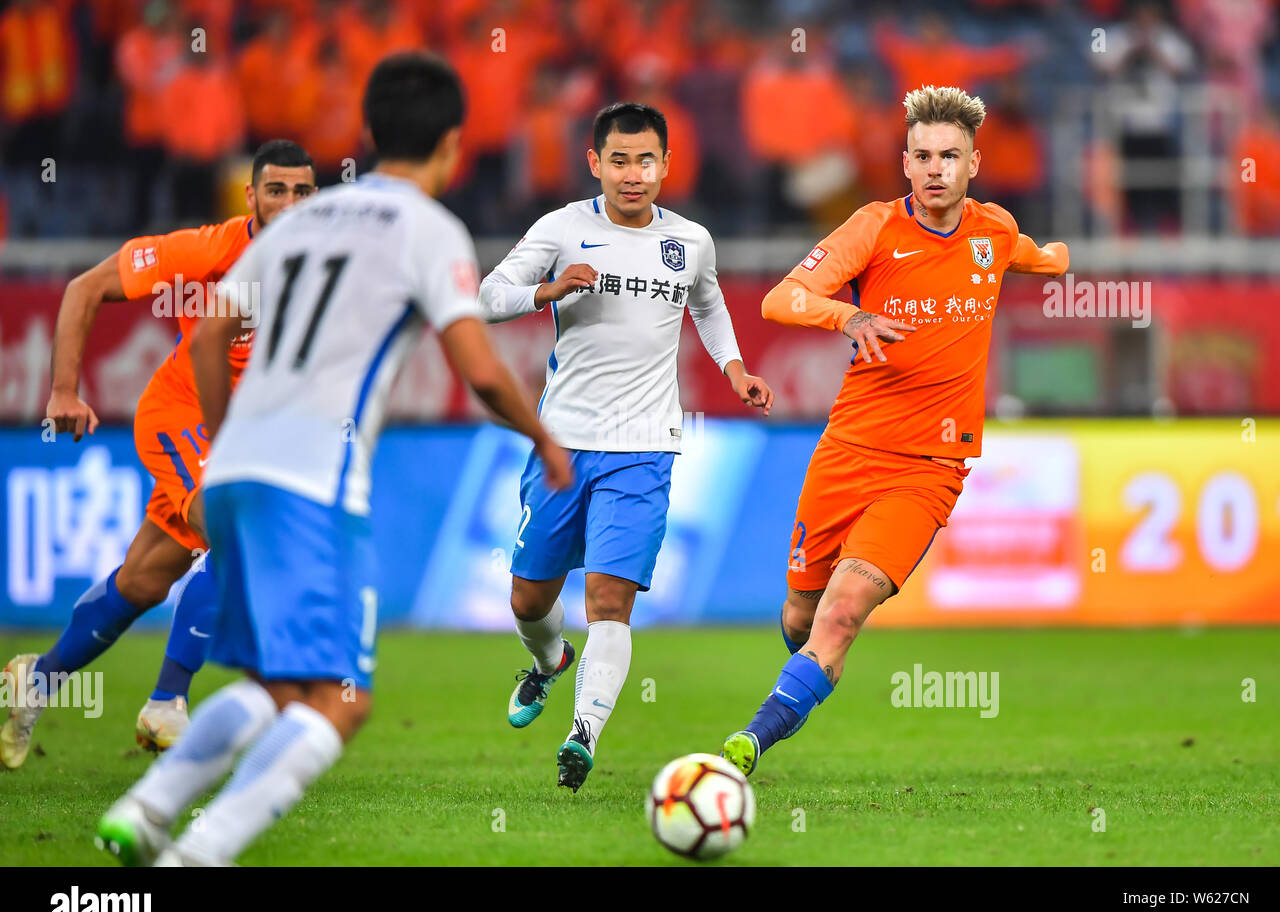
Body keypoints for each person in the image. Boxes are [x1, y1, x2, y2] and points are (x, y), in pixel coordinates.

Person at [95, 50, 570, 867]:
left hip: (237, 470)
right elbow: (481, 367)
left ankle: (145, 814)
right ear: (455, 145)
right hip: (312, 485)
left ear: (370, 133)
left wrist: (223, 443)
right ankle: (199, 853)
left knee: (277, 689)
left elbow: (212, 332)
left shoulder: (304, 220)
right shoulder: (429, 229)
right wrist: (544, 438)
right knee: (343, 701)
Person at [720, 85, 1068, 775]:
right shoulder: (874, 228)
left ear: (974, 163)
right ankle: (809, 669)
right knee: (802, 613)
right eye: (923, 156)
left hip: (931, 466)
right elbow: (781, 296)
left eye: (950, 156)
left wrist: (1058, 259)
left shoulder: (993, 232)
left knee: (847, 606)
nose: (936, 168)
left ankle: (747, 744)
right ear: (905, 164)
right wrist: (847, 317)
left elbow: (1033, 255)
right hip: (849, 449)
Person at [479, 102, 774, 792]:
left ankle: (584, 733)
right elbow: (490, 293)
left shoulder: (690, 241)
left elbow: (707, 303)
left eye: (646, 160)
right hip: (563, 442)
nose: (633, 174)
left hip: (645, 445)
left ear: (666, 165)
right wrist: (547, 290)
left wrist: (733, 369)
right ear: (595, 164)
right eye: (619, 160)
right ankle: (549, 661)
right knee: (528, 600)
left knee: (609, 601)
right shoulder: (562, 229)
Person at [1, 141, 316, 769]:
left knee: (144, 580)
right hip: (182, 418)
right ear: (249, 197)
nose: (288, 204)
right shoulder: (208, 251)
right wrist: (64, 390)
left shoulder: (321, 262)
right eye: (274, 190)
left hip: (245, 436)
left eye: (302, 192)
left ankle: (34, 681)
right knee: (233, 532)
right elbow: (85, 289)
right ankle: (166, 702)